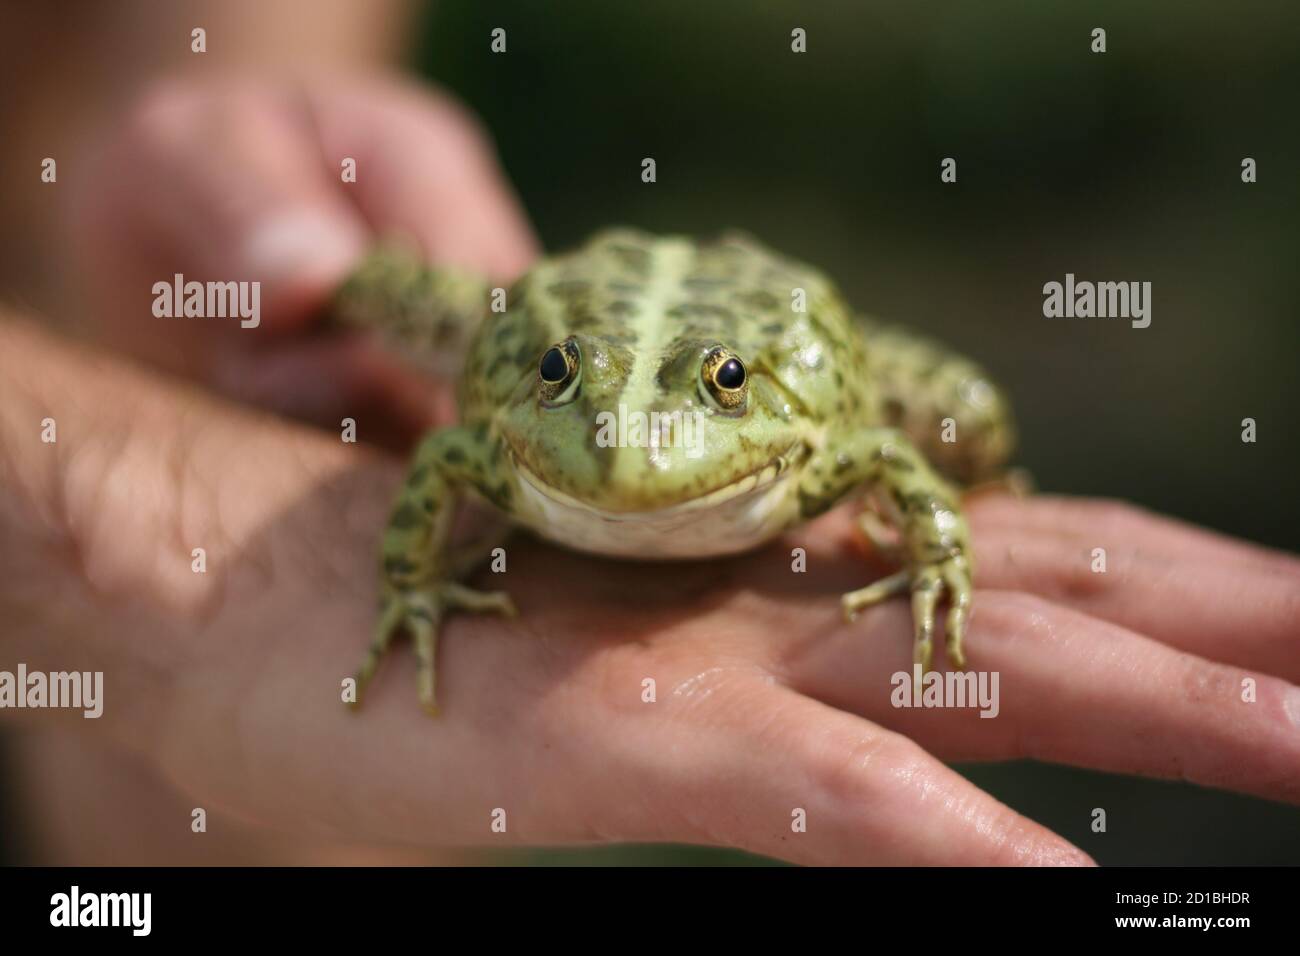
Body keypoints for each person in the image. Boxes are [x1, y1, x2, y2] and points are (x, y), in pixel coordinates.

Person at [2, 70, 1298, 866]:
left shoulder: (812, 454)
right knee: (407, 299)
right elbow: (453, 445)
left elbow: (891, 459)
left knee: (969, 409)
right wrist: (408, 579)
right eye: (563, 400)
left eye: (713, 402)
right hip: (574, 300)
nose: (623, 452)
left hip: (765, 311)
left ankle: (682, 373)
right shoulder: (506, 450)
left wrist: (941, 538)